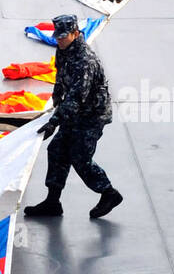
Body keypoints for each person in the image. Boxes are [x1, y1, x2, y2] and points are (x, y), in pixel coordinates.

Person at [24, 14, 123, 221]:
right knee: (57, 150)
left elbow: (77, 98)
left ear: (75, 33)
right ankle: (53, 201)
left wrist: (54, 122)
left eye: (63, 37)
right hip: (75, 111)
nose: (59, 41)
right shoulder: (64, 50)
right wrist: (55, 97)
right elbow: (60, 77)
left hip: (91, 115)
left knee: (80, 158)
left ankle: (109, 193)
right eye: (57, 37)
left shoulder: (85, 61)